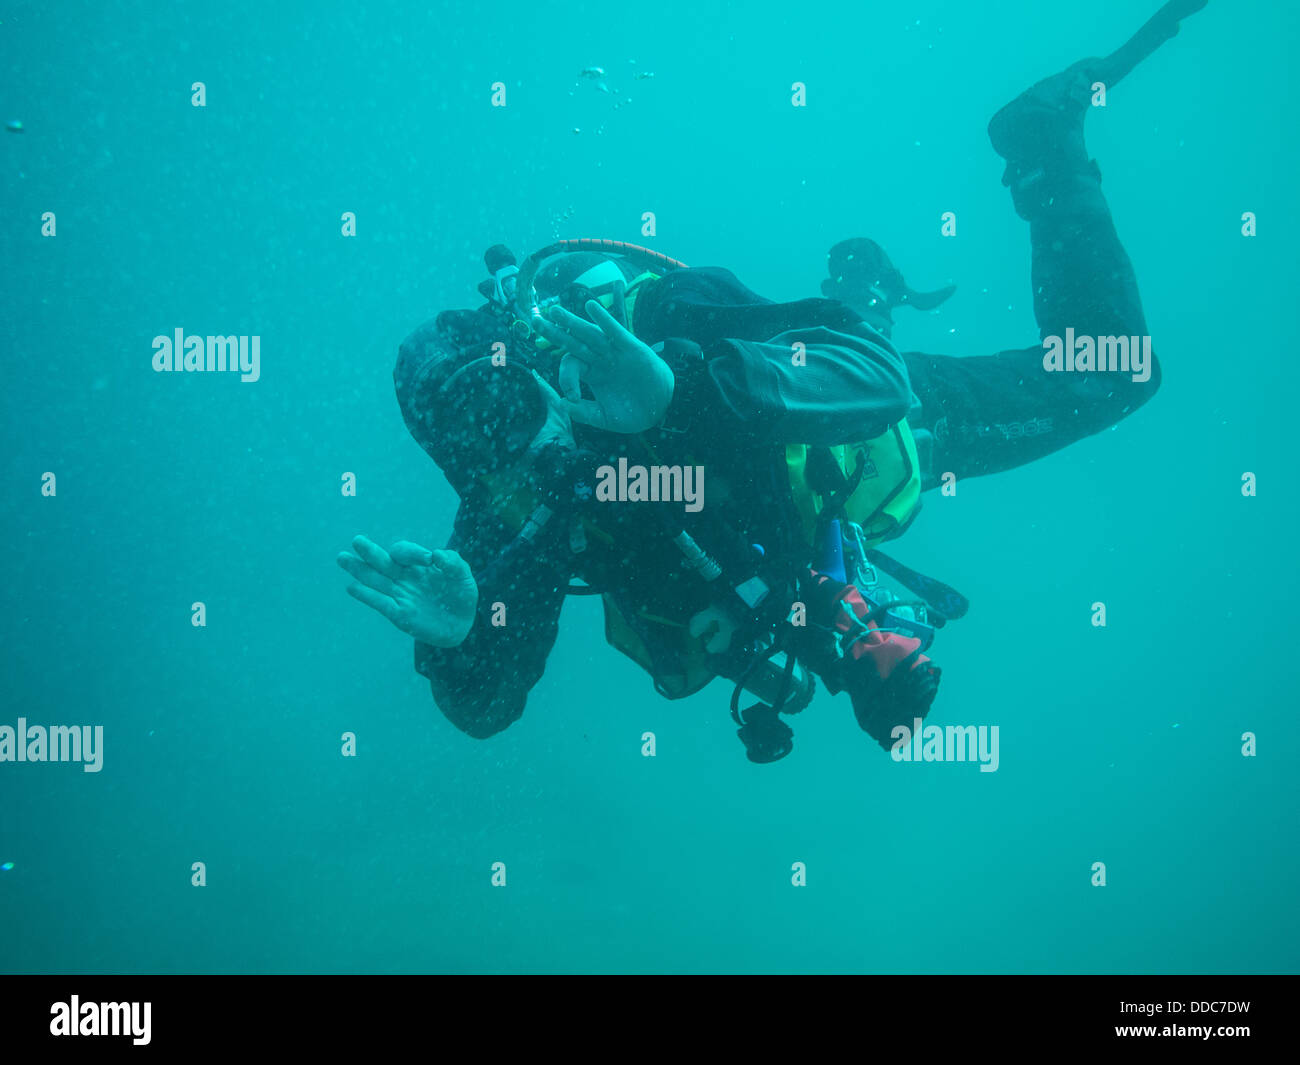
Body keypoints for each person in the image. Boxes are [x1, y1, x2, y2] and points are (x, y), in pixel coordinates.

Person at [339, 2, 1202, 761]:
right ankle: (873, 271)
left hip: (862, 427)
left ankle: (1041, 145)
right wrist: (459, 638)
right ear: (469, 462)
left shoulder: (657, 317)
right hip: (805, 549)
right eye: (498, 446)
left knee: (1115, 372)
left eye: (536, 404)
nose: (548, 436)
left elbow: (869, 367)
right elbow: (489, 702)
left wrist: (680, 393)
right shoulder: (517, 504)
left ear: (540, 344)